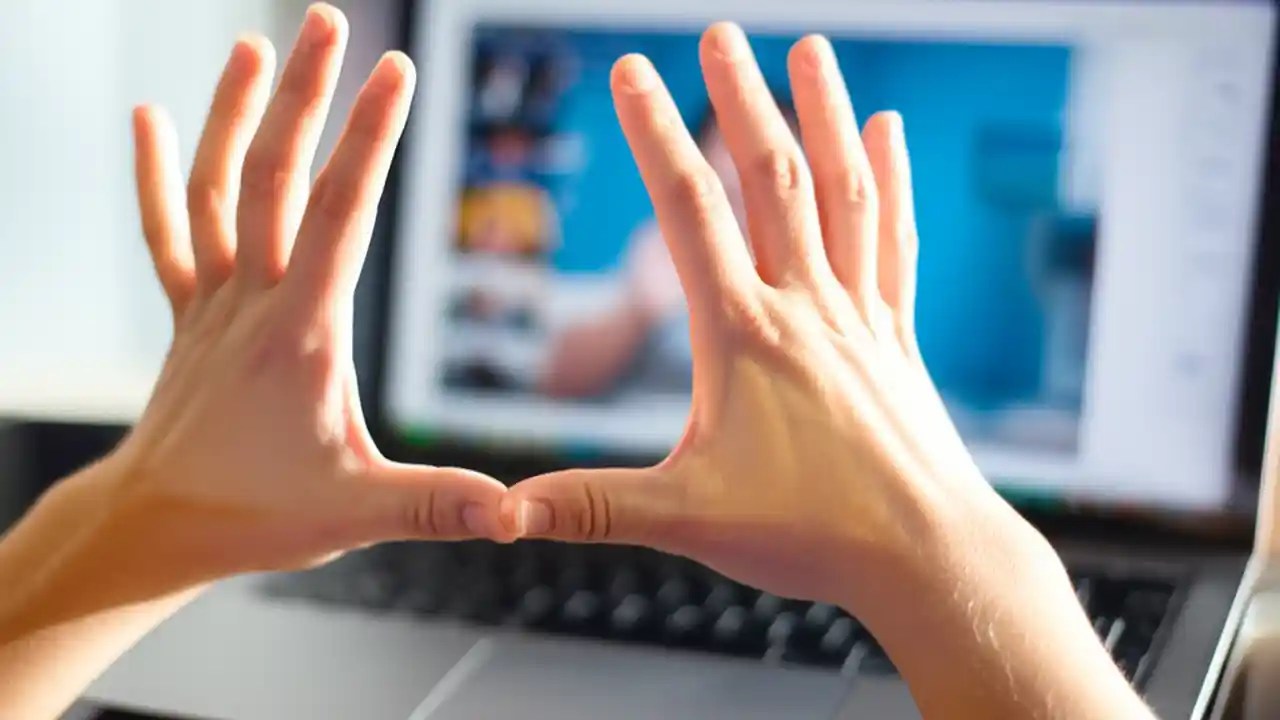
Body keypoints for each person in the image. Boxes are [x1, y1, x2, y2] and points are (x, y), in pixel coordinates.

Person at [0, 5, 1153, 719]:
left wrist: (946, 550)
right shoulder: (614, 306)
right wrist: (127, 512)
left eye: (764, 197)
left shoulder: (889, 394)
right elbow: (548, 373)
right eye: (709, 190)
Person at [537, 103, 798, 399]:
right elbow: (560, 382)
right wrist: (640, 312)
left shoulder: (829, 272)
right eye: (734, 145)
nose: (749, 167)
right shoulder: (662, 250)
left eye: (772, 153)